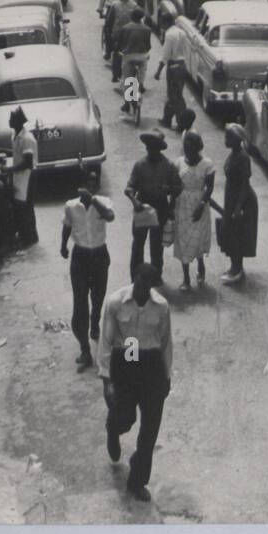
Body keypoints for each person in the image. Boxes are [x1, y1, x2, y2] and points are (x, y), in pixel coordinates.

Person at [99, 262, 172, 503]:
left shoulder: (161, 307)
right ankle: (113, 428)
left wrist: (166, 376)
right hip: (126, 365)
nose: (144, 290)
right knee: (125, 418)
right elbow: (106, 342)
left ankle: (137, 480)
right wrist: (106, 379)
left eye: (149, 286)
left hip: (151, 367)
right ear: (135, 279)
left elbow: (165, 343)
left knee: (150, 430)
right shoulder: (115, 302)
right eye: (141, 284)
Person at [61, 172, 115, 370]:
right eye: (87, 184)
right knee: (80, 303)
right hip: (80, 257)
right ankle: (84, 349)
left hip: (100, 256)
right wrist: (63, 245)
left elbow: (110, 216)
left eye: (94, 185)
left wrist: (93, 199)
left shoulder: (104, 203)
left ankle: (95, 321)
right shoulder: (71, 206)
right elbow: (67, 226)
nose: (90, 188)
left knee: (98, 296)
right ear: (80, 186)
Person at [125, 130, 182, 279]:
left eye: (154, 147)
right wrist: (135, 201)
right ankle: (135, 276)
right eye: (148, 147)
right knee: (138, 244)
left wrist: (169, 196)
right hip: (143, 206)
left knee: (156, 246)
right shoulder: (140, 165)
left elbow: (178, 187)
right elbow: (129, 188)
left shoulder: (169, 166)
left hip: (160, 207)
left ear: (159, 148)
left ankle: (156, 276)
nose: (150, 150)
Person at [172, 130, 216, 290]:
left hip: (200, 205)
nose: (188, 153)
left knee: (197, 239)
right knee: (183, 241)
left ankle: (200, 264)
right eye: (186, 149)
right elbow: (174, 185)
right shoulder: (178, 163)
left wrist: (202, 204)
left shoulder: (208, 165)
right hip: (182, 206)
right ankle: (186, 279)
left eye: (191, 149)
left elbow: (209, 188)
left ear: (198, 149)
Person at [218, 124, 258, 284]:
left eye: (229, 137)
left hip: (242, 200)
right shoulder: (233, 154)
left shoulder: (242, 157)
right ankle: (234, 265)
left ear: (237, 139)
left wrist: (238, 208)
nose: (225, 139)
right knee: (230, 232)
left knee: (238, 233)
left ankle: (237, 268)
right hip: (231, 198)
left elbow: (244, 184)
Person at [8, 106, 39, 247]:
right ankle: (27, 235)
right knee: (22, 207)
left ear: (17, 122)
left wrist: (9, 169)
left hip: (27, 176)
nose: (9, 121)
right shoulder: (15, 136)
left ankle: (29, 238)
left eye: (11, 119)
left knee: (25, 208)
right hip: (19, 176)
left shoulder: (26, 138)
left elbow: (27, 162)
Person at [154, 9, 188, 131]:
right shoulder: (181, 32)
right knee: (174, 94)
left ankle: (181, 122)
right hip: (182, 65)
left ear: (165, 23)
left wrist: (158, 71)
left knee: (175, 97)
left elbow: (165, 55)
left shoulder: (169, 35)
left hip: (173, 67)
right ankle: (167, 119)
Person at [116, 8, 153, 113]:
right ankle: (140, 85)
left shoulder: (125, 28)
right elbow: (148, 46)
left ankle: (127, 104)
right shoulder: (147, 29)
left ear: (132, 17)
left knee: (127, 80)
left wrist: (120, 51)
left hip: (129, 57)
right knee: (141, 74)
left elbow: (120, 44)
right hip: (142, 57)